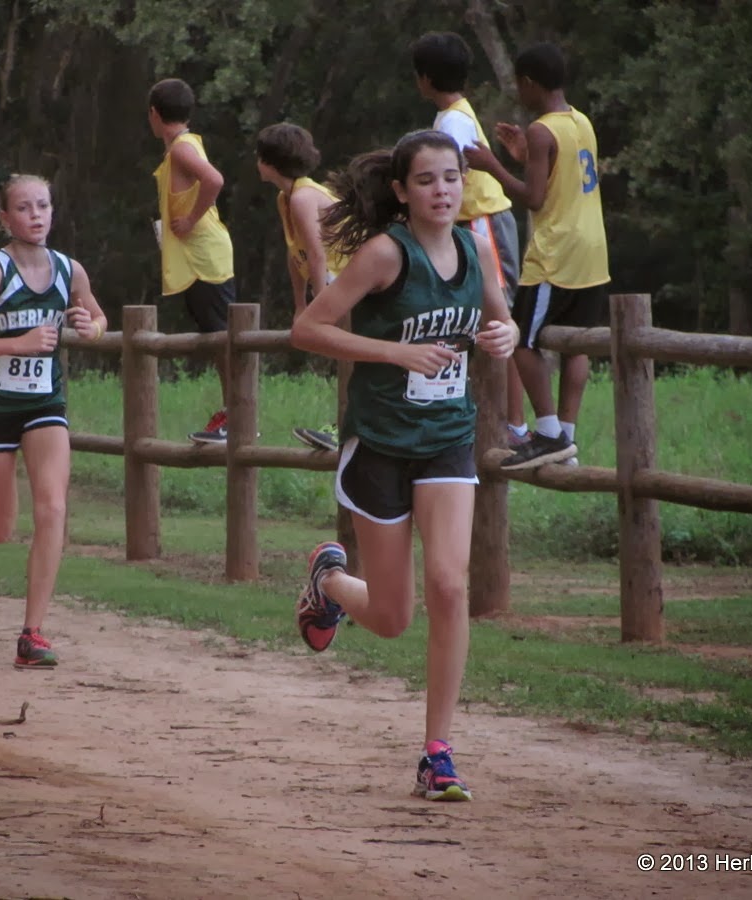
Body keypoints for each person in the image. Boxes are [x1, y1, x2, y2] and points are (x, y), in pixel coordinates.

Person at [290, 130, 518, 802]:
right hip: (383, 443)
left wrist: (501, 337)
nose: (443, 190)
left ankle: (437, 753)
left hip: (447, 438)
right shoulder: (386, 254)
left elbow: (496, 328)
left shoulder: (478, 247)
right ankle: (329, 582)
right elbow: (308, 329)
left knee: (451, 586)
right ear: (401, 190)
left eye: (452, 177)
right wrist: (395, 354)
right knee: (393, 617)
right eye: (427, 180)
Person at [0, 174, 107, 669]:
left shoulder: (69, 270)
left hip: (43, 404)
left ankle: (32, 634)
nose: (36, 215)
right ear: (4, 218)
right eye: (24, 207)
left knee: (52, 508)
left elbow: (98, 319)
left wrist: (89, 327)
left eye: (43, 206)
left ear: (53, 212)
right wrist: (17, 343)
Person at [464, 42, 610, 469]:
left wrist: (492, 164)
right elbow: (562, 173)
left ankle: (546, 432)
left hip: (556, 252)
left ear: (529, 83)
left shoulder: (542, 129)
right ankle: (567, 435)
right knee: (576, 343)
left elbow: (534, 197)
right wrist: (526, 158)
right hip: (593, 249)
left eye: (518, 86)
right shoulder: (579, 121)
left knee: (521, 340)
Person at [411, 31, 528, 448]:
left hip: (482, 223)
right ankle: (491, 414)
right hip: (471, 225)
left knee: (500, 318)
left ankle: (514, 423)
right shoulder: (452, 116)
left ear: (424, 79)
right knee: (478, 319)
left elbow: (456, 177)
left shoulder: (455, 120)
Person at [148, 78, 237, 444]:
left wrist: (192, 218)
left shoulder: (182, 149)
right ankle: (232, 413)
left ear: (154, 114)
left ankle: (238, 417)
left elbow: (214, 180)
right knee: (216, 338)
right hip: (200, 259)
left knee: (222, 339)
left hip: (206, 258)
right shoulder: (184, 146)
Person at [255, 121, 348, 451]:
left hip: (351, 280)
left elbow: (319, 255)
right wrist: (299, 306)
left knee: (354, 356)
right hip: (334, 281)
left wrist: (319, 308)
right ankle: (344, 426)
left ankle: (345, 427)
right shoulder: (287, 197)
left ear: (268, 162)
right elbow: (298, 256)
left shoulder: (304, 198)